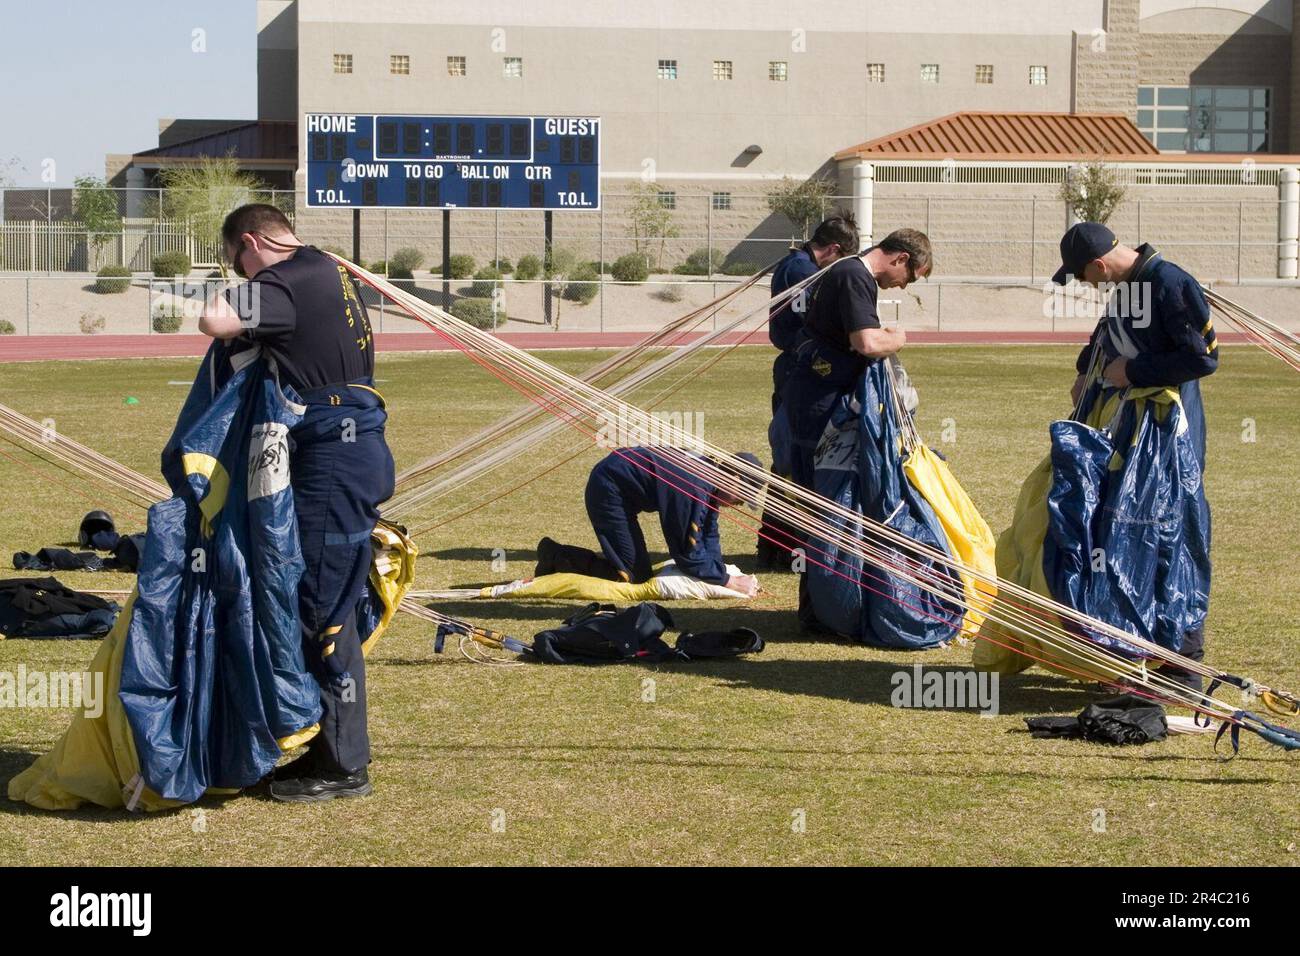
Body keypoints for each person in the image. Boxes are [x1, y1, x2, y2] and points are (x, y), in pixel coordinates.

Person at [199, 203, 393, 802]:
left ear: (253, 242)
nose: (243, 275)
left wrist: (238, 290)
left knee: (321, 611)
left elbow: (214, 320)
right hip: (348, 448)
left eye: (239, 262)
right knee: (324, 601)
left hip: (335, 455)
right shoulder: (330, 270)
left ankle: (342, 767)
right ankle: (321, 746)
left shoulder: (287, 278)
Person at [1053, 221, 1218, 689]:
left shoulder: (1169, 282)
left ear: (1100, 264)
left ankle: (1184, 659)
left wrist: (1134, 370)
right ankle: (1134, 647)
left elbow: (1204, 357)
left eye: (1084, 276)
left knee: (1172, 533)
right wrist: (1088, 371)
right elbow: (1108, 334)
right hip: (1130, 428)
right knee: (1124, 532)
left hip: (1170, 434)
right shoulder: (1128, 287)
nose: (1086, 284)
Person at [756, 213, 859, 569]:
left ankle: (780, 544)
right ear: (833, 249)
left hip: (798, 367)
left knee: (791, 458)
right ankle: (781, 545)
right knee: (792, 458)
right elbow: (812, 324)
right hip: (799, 369)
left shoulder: (795, 264)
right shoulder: (801, 273)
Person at [536, 447, 762, 596]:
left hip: (619, 481)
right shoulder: (693, 488)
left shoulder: (710, 477)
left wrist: (718, 568)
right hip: (608, 488)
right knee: (631, 576)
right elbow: (687, 553)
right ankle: (557, 556)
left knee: (633, 565)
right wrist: (727, 581)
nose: (740, 504)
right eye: (742, 497)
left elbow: (709, 530)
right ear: (734, 477)